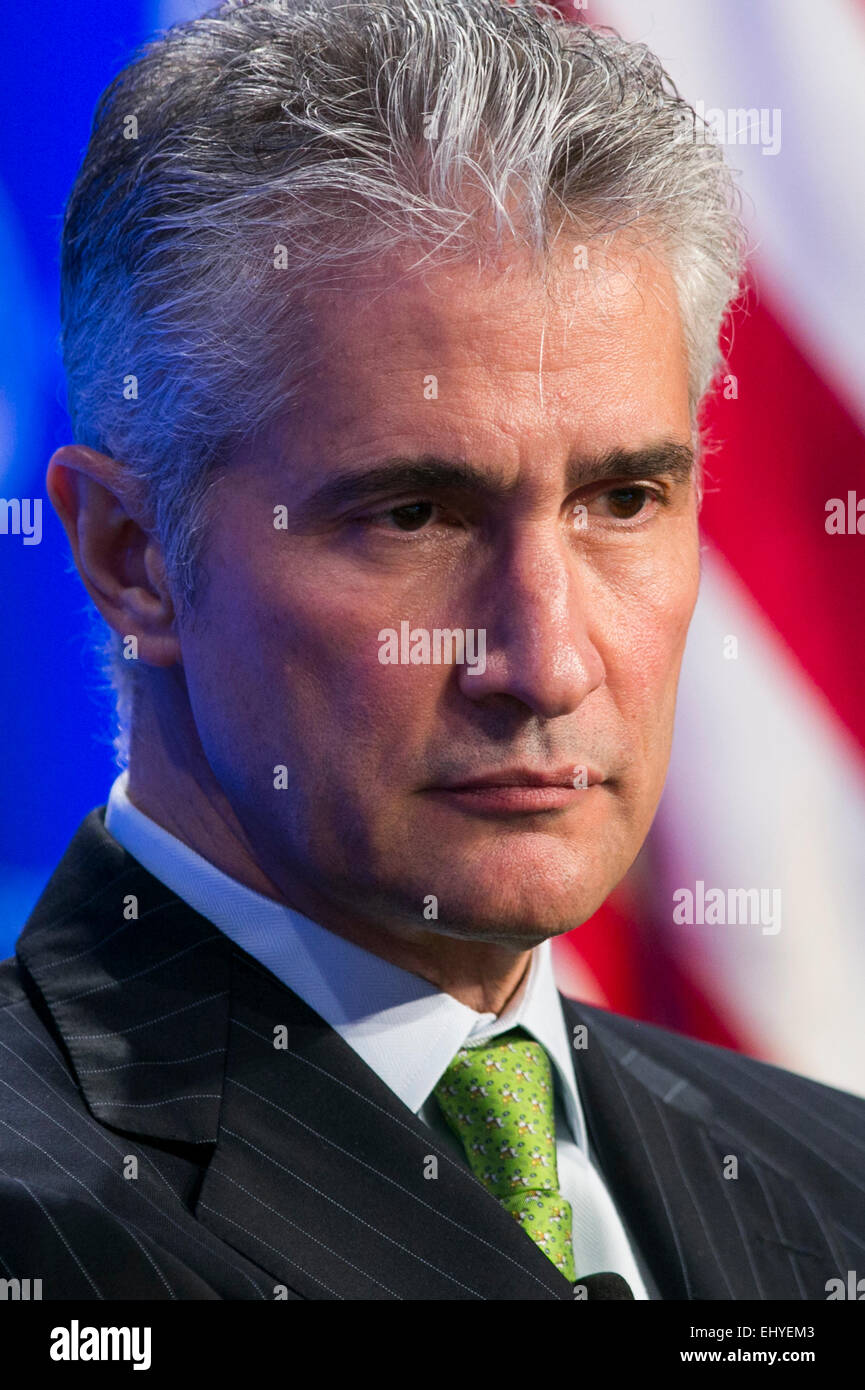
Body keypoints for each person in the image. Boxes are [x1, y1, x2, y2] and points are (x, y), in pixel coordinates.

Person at [1, 0, 862, 1301]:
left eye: (621, 500)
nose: (547, 660)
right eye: (412, 514)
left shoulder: (839, 1187)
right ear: (132, 553)